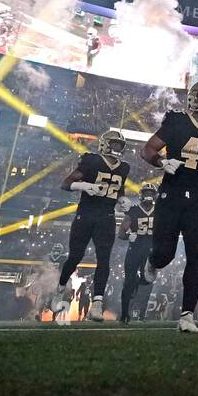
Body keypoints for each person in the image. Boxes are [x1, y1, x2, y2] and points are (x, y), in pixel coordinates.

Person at [139, 80, 198, 334]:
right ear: (193, 98)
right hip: (172, 194)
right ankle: (152, 262)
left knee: (196, 254)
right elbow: (147, 150)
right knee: (164, 254)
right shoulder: (177, 121)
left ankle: (187, 315)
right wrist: (161, 162)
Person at [53, 129, 129, 323]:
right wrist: (84, 186)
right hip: (86, 214)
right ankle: (60, 289)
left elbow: (119, 190)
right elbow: (66, 183)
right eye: (115, 144)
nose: (117, 148)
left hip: (107, 216)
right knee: (75, 256)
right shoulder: (92, 161)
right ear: (105, 144)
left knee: (104, 260)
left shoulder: (124, 167)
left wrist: (122, 200)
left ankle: (97, 304)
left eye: (120, 145)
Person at [118, 192, 154, 324]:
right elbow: (121, 233)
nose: (149, 196)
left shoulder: (159, 211)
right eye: (147, 193)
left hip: (149, 252)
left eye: (151, 194)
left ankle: (140, 313)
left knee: (147, 281)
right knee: (129, 282)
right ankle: (124, 313)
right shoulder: (133, 211)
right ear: (141, 196)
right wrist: (128, 236)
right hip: (135, 250)